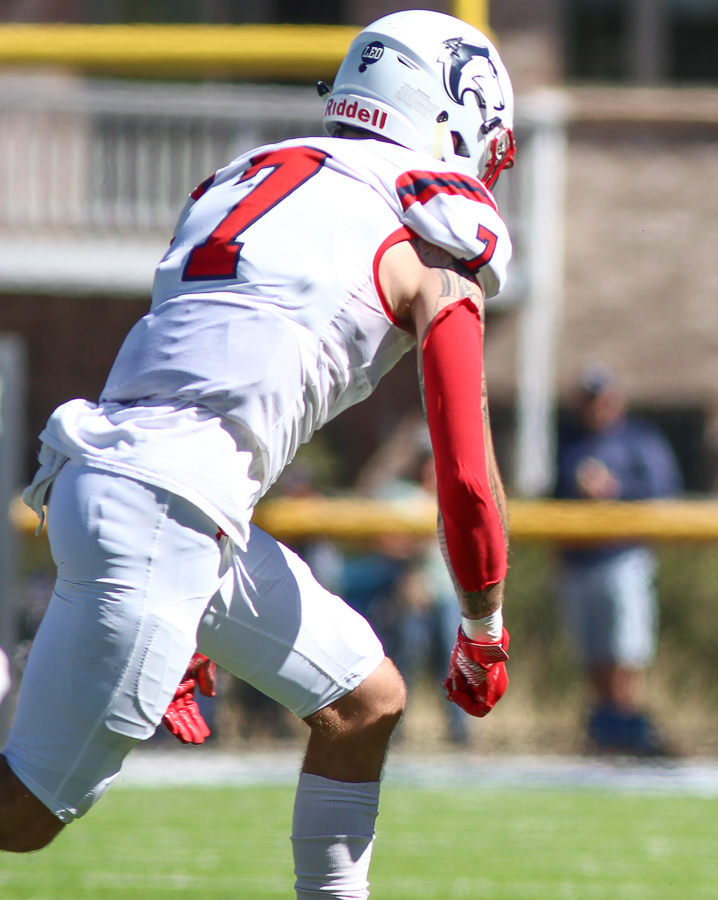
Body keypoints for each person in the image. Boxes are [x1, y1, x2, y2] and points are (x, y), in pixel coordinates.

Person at [0, 13, 516, 899]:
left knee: (365, 700)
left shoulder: (258, 174)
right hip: (169, 508)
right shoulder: (429, 230)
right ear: (457, 118)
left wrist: (189, 596)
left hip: (138, 481)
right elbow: (466, 470)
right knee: (21, 819)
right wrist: (483, 629)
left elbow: (217, 371)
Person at [554, 365, 682, 755]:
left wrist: (615, 489)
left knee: (624, 652)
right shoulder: (570, 441)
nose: (596, 408)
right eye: (589, 400)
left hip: (622, 557)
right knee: (592, 653)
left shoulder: (638, 440)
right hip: (578, 562)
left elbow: (665, 491)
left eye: (603, 398)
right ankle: (607, 729)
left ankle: (629, 728)